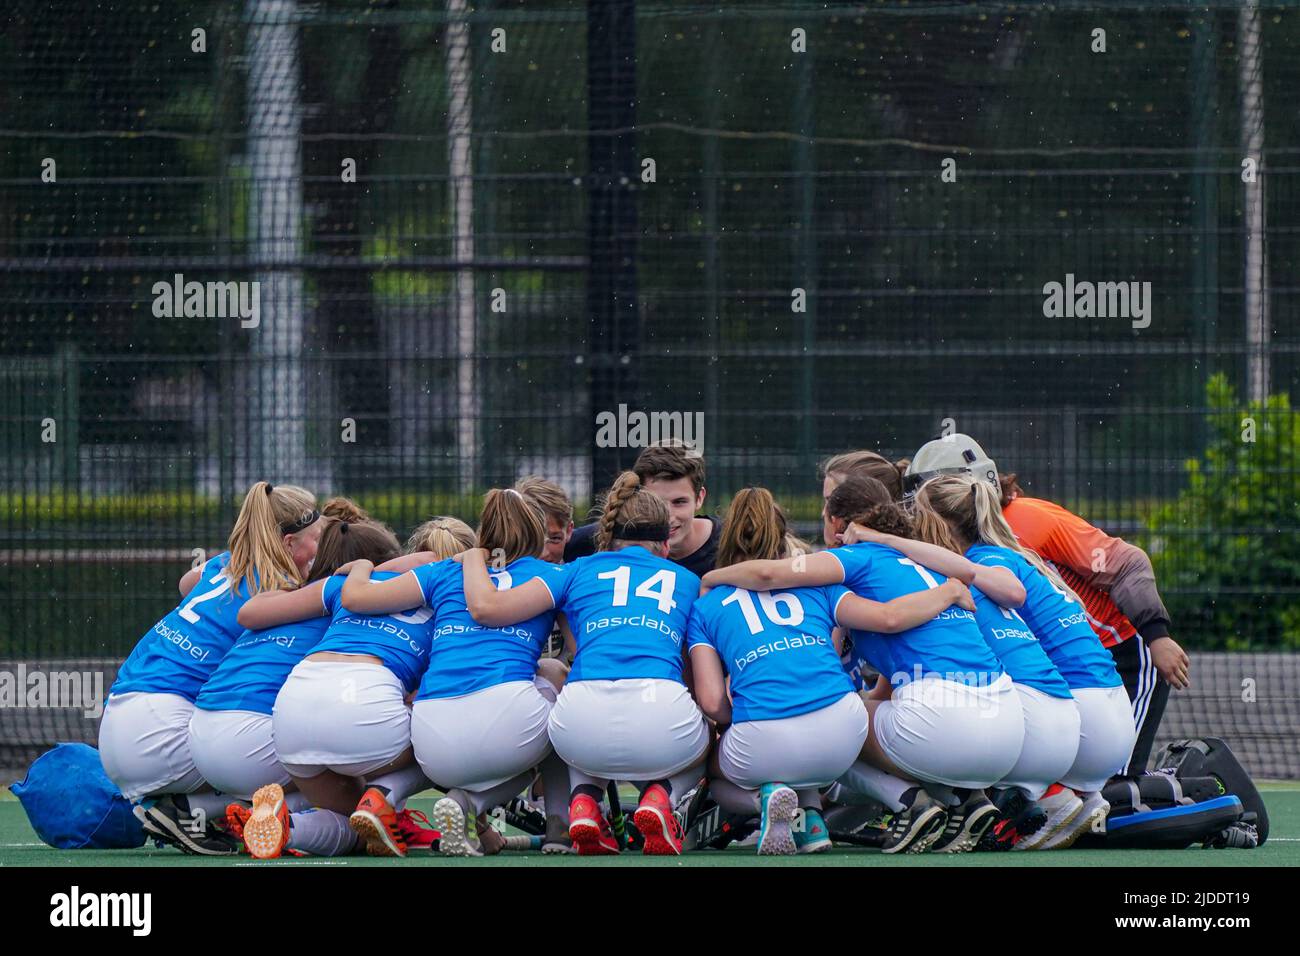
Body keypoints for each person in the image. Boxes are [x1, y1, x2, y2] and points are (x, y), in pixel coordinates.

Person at [704, 475, 1026, 854]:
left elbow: (767, 574)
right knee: (843, 716)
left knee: (832, 720)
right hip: (1007, 727)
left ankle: (910, 801)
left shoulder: (851, 560)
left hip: (947, 722)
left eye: (825, 516)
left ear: (840, 525)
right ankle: (967, 799)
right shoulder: (926, 556)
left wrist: (711, 577)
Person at [903, 434, 1189, 777]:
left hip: (1121, 655)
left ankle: (1199, 794)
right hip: (1062, 668)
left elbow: (1127, 562)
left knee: (1114, 783)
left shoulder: (1030, 519)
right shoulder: (956, 541)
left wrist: (1157, 636)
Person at [461, 471, 711, 855]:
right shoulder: (689, 580)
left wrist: (473, 558)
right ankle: (661, 797)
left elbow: (488, 609)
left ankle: (582, 802)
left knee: (574, 722)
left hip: (580, 722)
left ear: (607, 538)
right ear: (664, 544)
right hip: (660, 716)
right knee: (704, 738)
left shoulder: (572, 572)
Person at [338, 488, 572, 856]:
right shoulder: (556, 576)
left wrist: (363, 566)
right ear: (537, 534)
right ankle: (558, 827)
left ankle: (387, 793)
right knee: (559, 696)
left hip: (433, 736)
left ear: (483, 532)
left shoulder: (442, 572)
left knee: (471, 744)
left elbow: (354, 598)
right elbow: (579, 652)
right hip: (507, 724)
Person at [98, 481, 321, 855]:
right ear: (288, 543)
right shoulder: (280, 589)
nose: (321, 547)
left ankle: (184, 811)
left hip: (118, 725)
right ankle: (190, 811)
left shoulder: (224, 564)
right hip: (158, 734)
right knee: (315, 761)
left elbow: (187, 583)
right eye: (316, 538)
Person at [564, 442, 720, 575]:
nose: (668, 516)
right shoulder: (608, 534)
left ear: (699, 498)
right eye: (656, 502)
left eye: (679, 502)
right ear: (638, 497)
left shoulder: (730, 542)